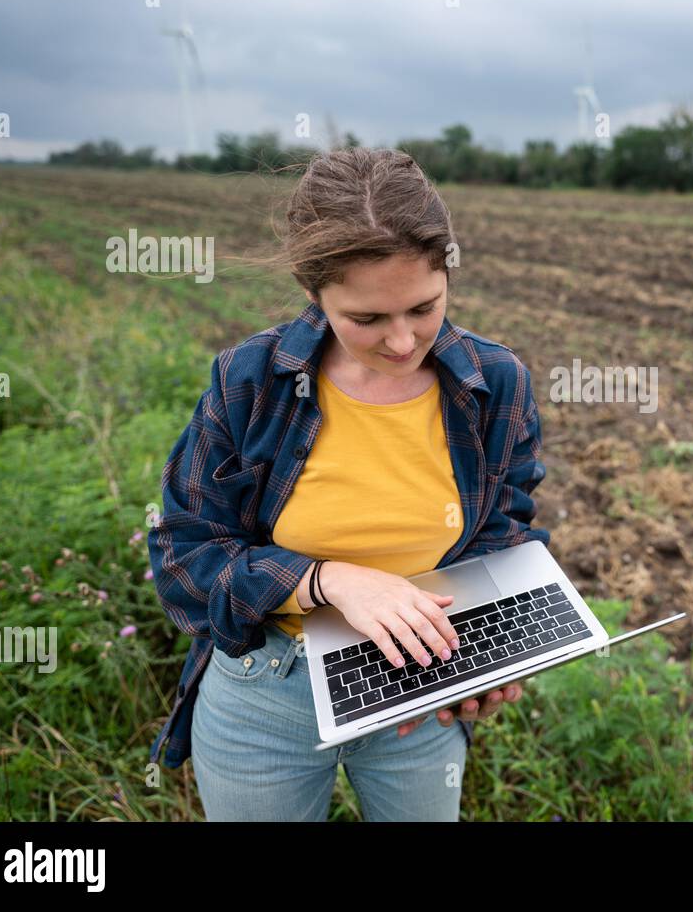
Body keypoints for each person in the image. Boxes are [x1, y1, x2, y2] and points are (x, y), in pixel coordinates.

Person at [146, 147, 550, 820]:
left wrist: (492, 653)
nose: (402, 342)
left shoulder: (494, 383)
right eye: (367, 319)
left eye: (424, 307)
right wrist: (327, 580)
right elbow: (184, 557)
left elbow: (505, 533)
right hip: (266, 697)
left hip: (421, 695)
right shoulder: (251, 381)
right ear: (314, 290)